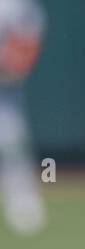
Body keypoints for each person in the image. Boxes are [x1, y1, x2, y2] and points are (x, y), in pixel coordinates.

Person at [0, 0, 45, 235]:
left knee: (11, 142)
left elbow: (24, 48)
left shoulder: (17, 5)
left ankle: (22, 202)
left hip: (3, 90)